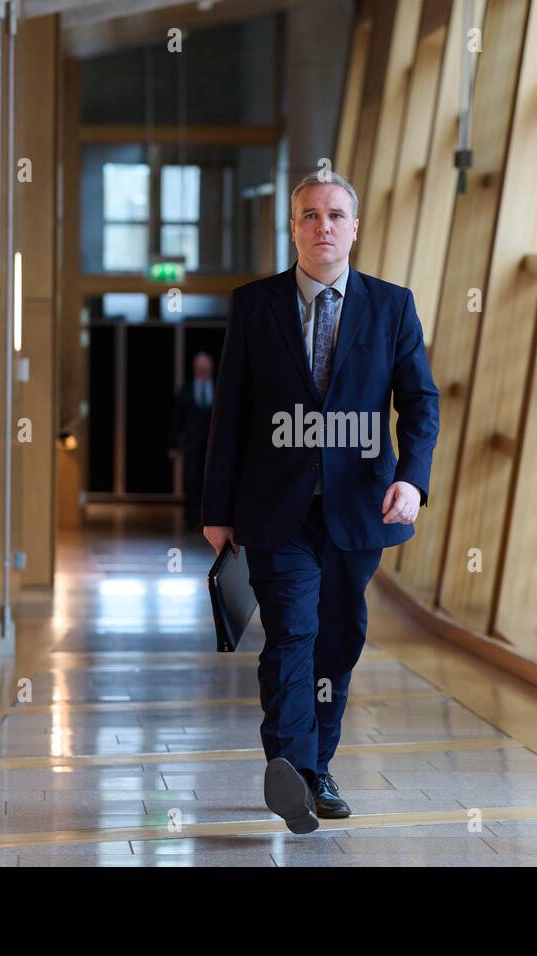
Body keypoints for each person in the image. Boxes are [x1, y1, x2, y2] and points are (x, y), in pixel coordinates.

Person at [201, 170, 439, 834]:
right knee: (291, 634)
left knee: (339, 638)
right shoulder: (255, 306)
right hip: (276, 511)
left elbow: (420, 402)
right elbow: (232, 413)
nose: (323, 225)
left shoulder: (392, 307)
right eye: (309, 215)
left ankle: (317, 765)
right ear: (294, 227)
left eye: (335, 214)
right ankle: (293, 767)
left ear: (354, 227)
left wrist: (412, 480)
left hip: (360, 508)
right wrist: (216, 510)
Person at [170, 351, 215, 530]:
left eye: (206, 368)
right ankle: (191, 518)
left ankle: (209, 517)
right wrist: (174, 445)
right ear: (195, 370)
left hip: (212, 445)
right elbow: (177, 419)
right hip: (191, 444)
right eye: (200, 368)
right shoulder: (186, 390)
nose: (203, 371)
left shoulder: (218, 388)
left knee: (210, 480)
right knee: (191, 480)